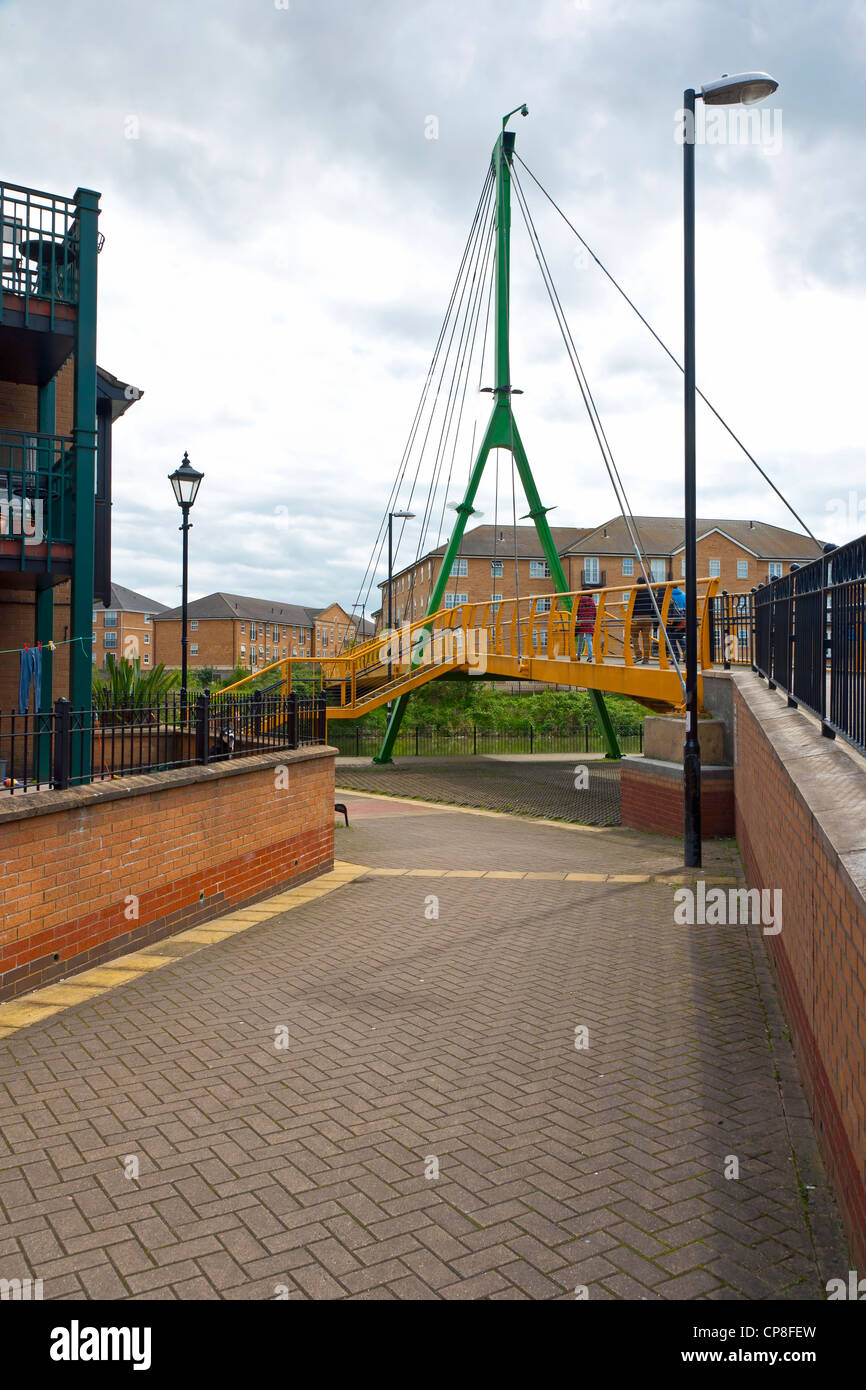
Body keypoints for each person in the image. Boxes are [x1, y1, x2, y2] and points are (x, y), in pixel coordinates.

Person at [630, 576, 655, 664]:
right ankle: (646, 659)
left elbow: (632, 605)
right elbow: (654, 605)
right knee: (646, 639)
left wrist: (631, 617)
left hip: (637, 617)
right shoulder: (651, 591)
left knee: (634, 637)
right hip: (648, 617)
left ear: (638, 582)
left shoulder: (635, 591)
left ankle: (638, 655)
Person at [574, 590, 597, 661]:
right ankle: (590, 657)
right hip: (589, 622)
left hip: (581, 622)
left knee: (580, 640)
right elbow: (594, 612)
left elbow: (576, 611)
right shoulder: (592, 601)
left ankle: (578, 655)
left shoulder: (579, 600)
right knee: (589, 640)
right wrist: (593, 621)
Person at [667, 583, 686, 661]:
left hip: (673, 620)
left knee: (671, 638)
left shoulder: (669, 596)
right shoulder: (684, 595)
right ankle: (686, 655)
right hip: (683, 619)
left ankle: (677, 656)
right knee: (680, 637)